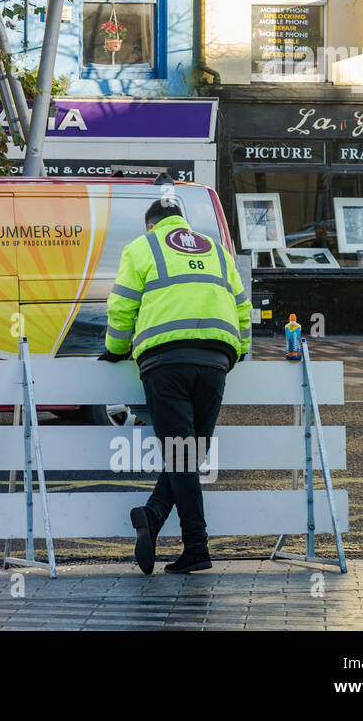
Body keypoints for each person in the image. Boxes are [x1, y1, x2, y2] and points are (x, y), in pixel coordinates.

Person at [100, 197, 252, 575]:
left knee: (182, 454)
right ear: (182, 222)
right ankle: (152, 518)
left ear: (150, 225)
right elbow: (242, 306)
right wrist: (242, 349)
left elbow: (122, 307)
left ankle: (196, 546)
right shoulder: (216, 250)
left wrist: (115, 349)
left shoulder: (142, 247)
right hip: (216, 360)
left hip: (165, 363)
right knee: (189, 454)